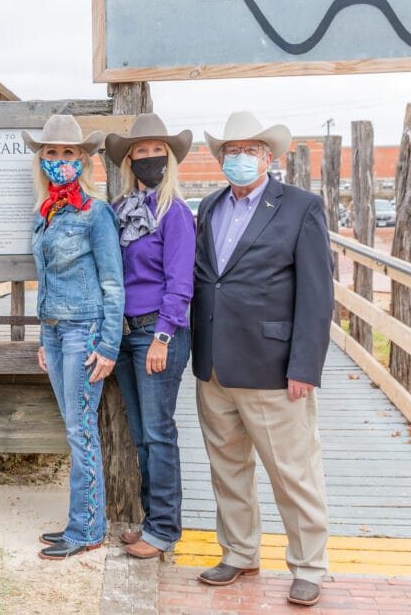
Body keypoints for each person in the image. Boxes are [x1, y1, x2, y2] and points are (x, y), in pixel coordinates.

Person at [192, 111, 333, 607]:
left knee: (293, 472)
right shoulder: (208, 206)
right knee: (227, 467)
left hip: (273, 368)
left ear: (268, 157)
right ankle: (238, 551)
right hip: (213, 366)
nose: (239, 157)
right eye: (231, 150)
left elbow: (317, 295)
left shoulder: (301, 207)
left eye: (249, 149)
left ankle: (310, 566)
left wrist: (304, 366)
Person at [25, 115, 125, 560]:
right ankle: (85, 522)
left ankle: (85, 529)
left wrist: (107, 345)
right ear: (41, 159)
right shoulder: (45, 213)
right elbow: (44, 279)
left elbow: (113, 284)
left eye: (69, 153)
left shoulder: (96, 213)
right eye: (52, 153)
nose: (60, 160)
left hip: (84, 333)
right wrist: (43, 336)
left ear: (83, 160)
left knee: (81, 432)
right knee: (75, 430)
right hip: (55, 332)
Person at [106, 114, 195, 559]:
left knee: (160, 434)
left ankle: (164, 529)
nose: (147, 158)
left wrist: (162, 337)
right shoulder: (120, 211)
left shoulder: (174, 212)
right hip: (123, 334)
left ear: (169, 157)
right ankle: (148, 522)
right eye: (139, 152)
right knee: (141, 435)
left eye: (156, 151)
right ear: (128, 161)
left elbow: (180, 282)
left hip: (156, 334)